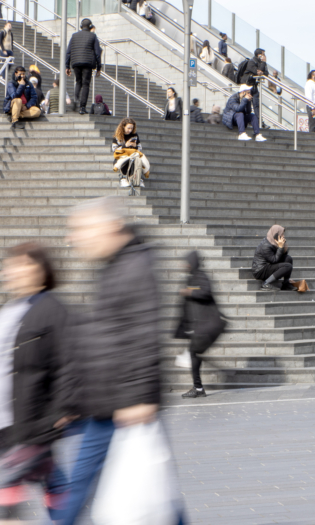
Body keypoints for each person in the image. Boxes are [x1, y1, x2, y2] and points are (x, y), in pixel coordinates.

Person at [62, 198, 182, 524]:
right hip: (110, 402)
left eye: (83, 229)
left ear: (111, 226)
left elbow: (143, 334)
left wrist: (140, 398)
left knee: (88, 488)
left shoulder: (133, 267)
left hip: (126, 404)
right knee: (156, 491)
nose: (75, 238)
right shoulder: (115, 265)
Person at [0, 243, 73, 523]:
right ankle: (66, 517)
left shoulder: (52, 309)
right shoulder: (10, 309)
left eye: (23, 264)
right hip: (7, 421)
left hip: (32, 420)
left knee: (7, 482)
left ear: (42, 270)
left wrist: (62, 410)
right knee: (51, 477)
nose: (13, 271)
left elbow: (69, 361)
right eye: (11, 265)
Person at [175, 251, 225, 399]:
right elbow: (186, 308)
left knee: (193, 353)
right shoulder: (191, 279)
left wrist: (189, 292)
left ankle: (198, 388)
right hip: (198, 326)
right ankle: (198, 387)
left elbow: (206, 291)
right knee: (194, 354)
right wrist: (184, 329)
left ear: (192, 263)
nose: (184, 265)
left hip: (207, 326)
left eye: (187, 262)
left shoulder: (200, 276)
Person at [65, 18, 102, 115]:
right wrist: (99, 67)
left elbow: (68, 52)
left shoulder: (74, 36)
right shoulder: (93, 36)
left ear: (81, 27)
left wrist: (67, 66)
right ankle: (82, 107)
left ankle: (76, 100)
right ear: (90, 27)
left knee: (78, 82)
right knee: (86, 84)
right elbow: (97, 53)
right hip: (87, 63)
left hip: (76, 62)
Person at [252, 225, 297, 292]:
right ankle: (266, 283)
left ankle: (286, 284)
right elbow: (274, 260)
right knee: (288, 266)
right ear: (276, 235)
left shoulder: (273, 242)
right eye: (282, 234)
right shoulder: (265, 245)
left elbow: (281, 256)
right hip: (260, 270)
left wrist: (284, 248)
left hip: (268, 265)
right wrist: (280, 248)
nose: (283, 236)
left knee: (288, 259)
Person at [111, 117, 151, 188]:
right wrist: (125, 145)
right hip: (122, 155)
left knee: (139, 159)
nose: (130, 130)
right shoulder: (117, 135)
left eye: (131, 128)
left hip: (133, 153)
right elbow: (114, 149)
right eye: (128, 128)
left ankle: (139, 178)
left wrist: (135, 146)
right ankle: (123, 178)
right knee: (126, 158)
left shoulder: (134, 135)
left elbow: (139, 148)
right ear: (123, 126)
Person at [5, 65, 42, 130]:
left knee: (37, 111)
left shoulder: (28, 83)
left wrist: (27, 106)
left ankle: (16, 114)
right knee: (18, 100)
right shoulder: (11, 83)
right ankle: (15, 121)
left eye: (23, 74)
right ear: (15, 73)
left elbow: (34, 97)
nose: (22, 76)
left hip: (24, 106)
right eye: (20, 74)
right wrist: (21, 85)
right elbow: (14, 96)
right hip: (13, 105)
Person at [235, 48, 267, 115]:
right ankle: (247, 118)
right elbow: (257, 72)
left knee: (256, 105)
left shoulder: (261, 63)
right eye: (263, 54)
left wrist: (263, 65)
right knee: (247, 105)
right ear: (259, 55)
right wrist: (262, 65)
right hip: (247, 85)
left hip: (254, 86)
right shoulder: (251, 62)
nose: (265, 56)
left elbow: (266, 73)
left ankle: (258, 120)